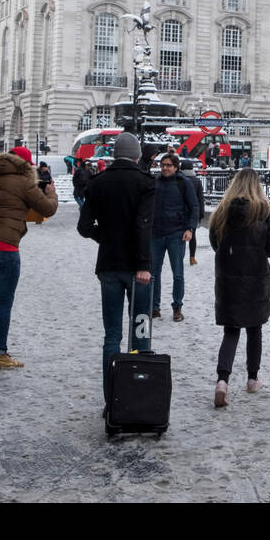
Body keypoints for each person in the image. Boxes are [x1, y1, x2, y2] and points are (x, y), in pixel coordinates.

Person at [77, 132, 155, 408]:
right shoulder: (145, 183)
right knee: (140, 331)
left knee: (112, 334)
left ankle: (112, 396)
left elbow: (84, 227)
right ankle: (138, 392)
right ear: (136, 155)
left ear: (114, 154)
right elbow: (143, 225)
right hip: (137, 269)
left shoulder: (98, 183)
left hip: (108, 264)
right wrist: (144, 265)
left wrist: (107, 237)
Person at [0, 147, 58, 369]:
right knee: (3, 301)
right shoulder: (22, 182)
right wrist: (51, 192)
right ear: (25, 165)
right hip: (3, 247)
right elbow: (48, 208)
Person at [209, 168, 270, 406]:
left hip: (228, 278)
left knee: (231, 330)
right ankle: (252, 378)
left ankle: (222, 380)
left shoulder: (222, 211)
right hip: (255, 278)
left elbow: (214, 243)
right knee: (254, 328)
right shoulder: (265, 213)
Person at [150, 152, 199, 322]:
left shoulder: (183, 183)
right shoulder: (154, 182)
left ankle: (177, 306)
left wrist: (190, 228)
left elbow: (194, 206)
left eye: (168, 165)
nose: (165, 168)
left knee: (178, 273)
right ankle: (154, 307)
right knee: (153, 273)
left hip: (176, 233)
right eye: (163, 164)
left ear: (176, 167)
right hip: (156, 233)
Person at [180, 158, 206, 266]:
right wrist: (201, 213)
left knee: (179, 236)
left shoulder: (179, 179)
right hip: (192, 212)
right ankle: (192, 257)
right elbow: (200, 198)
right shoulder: (197, 181)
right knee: (192, 235)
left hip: (180, 212)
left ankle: (179, 257)